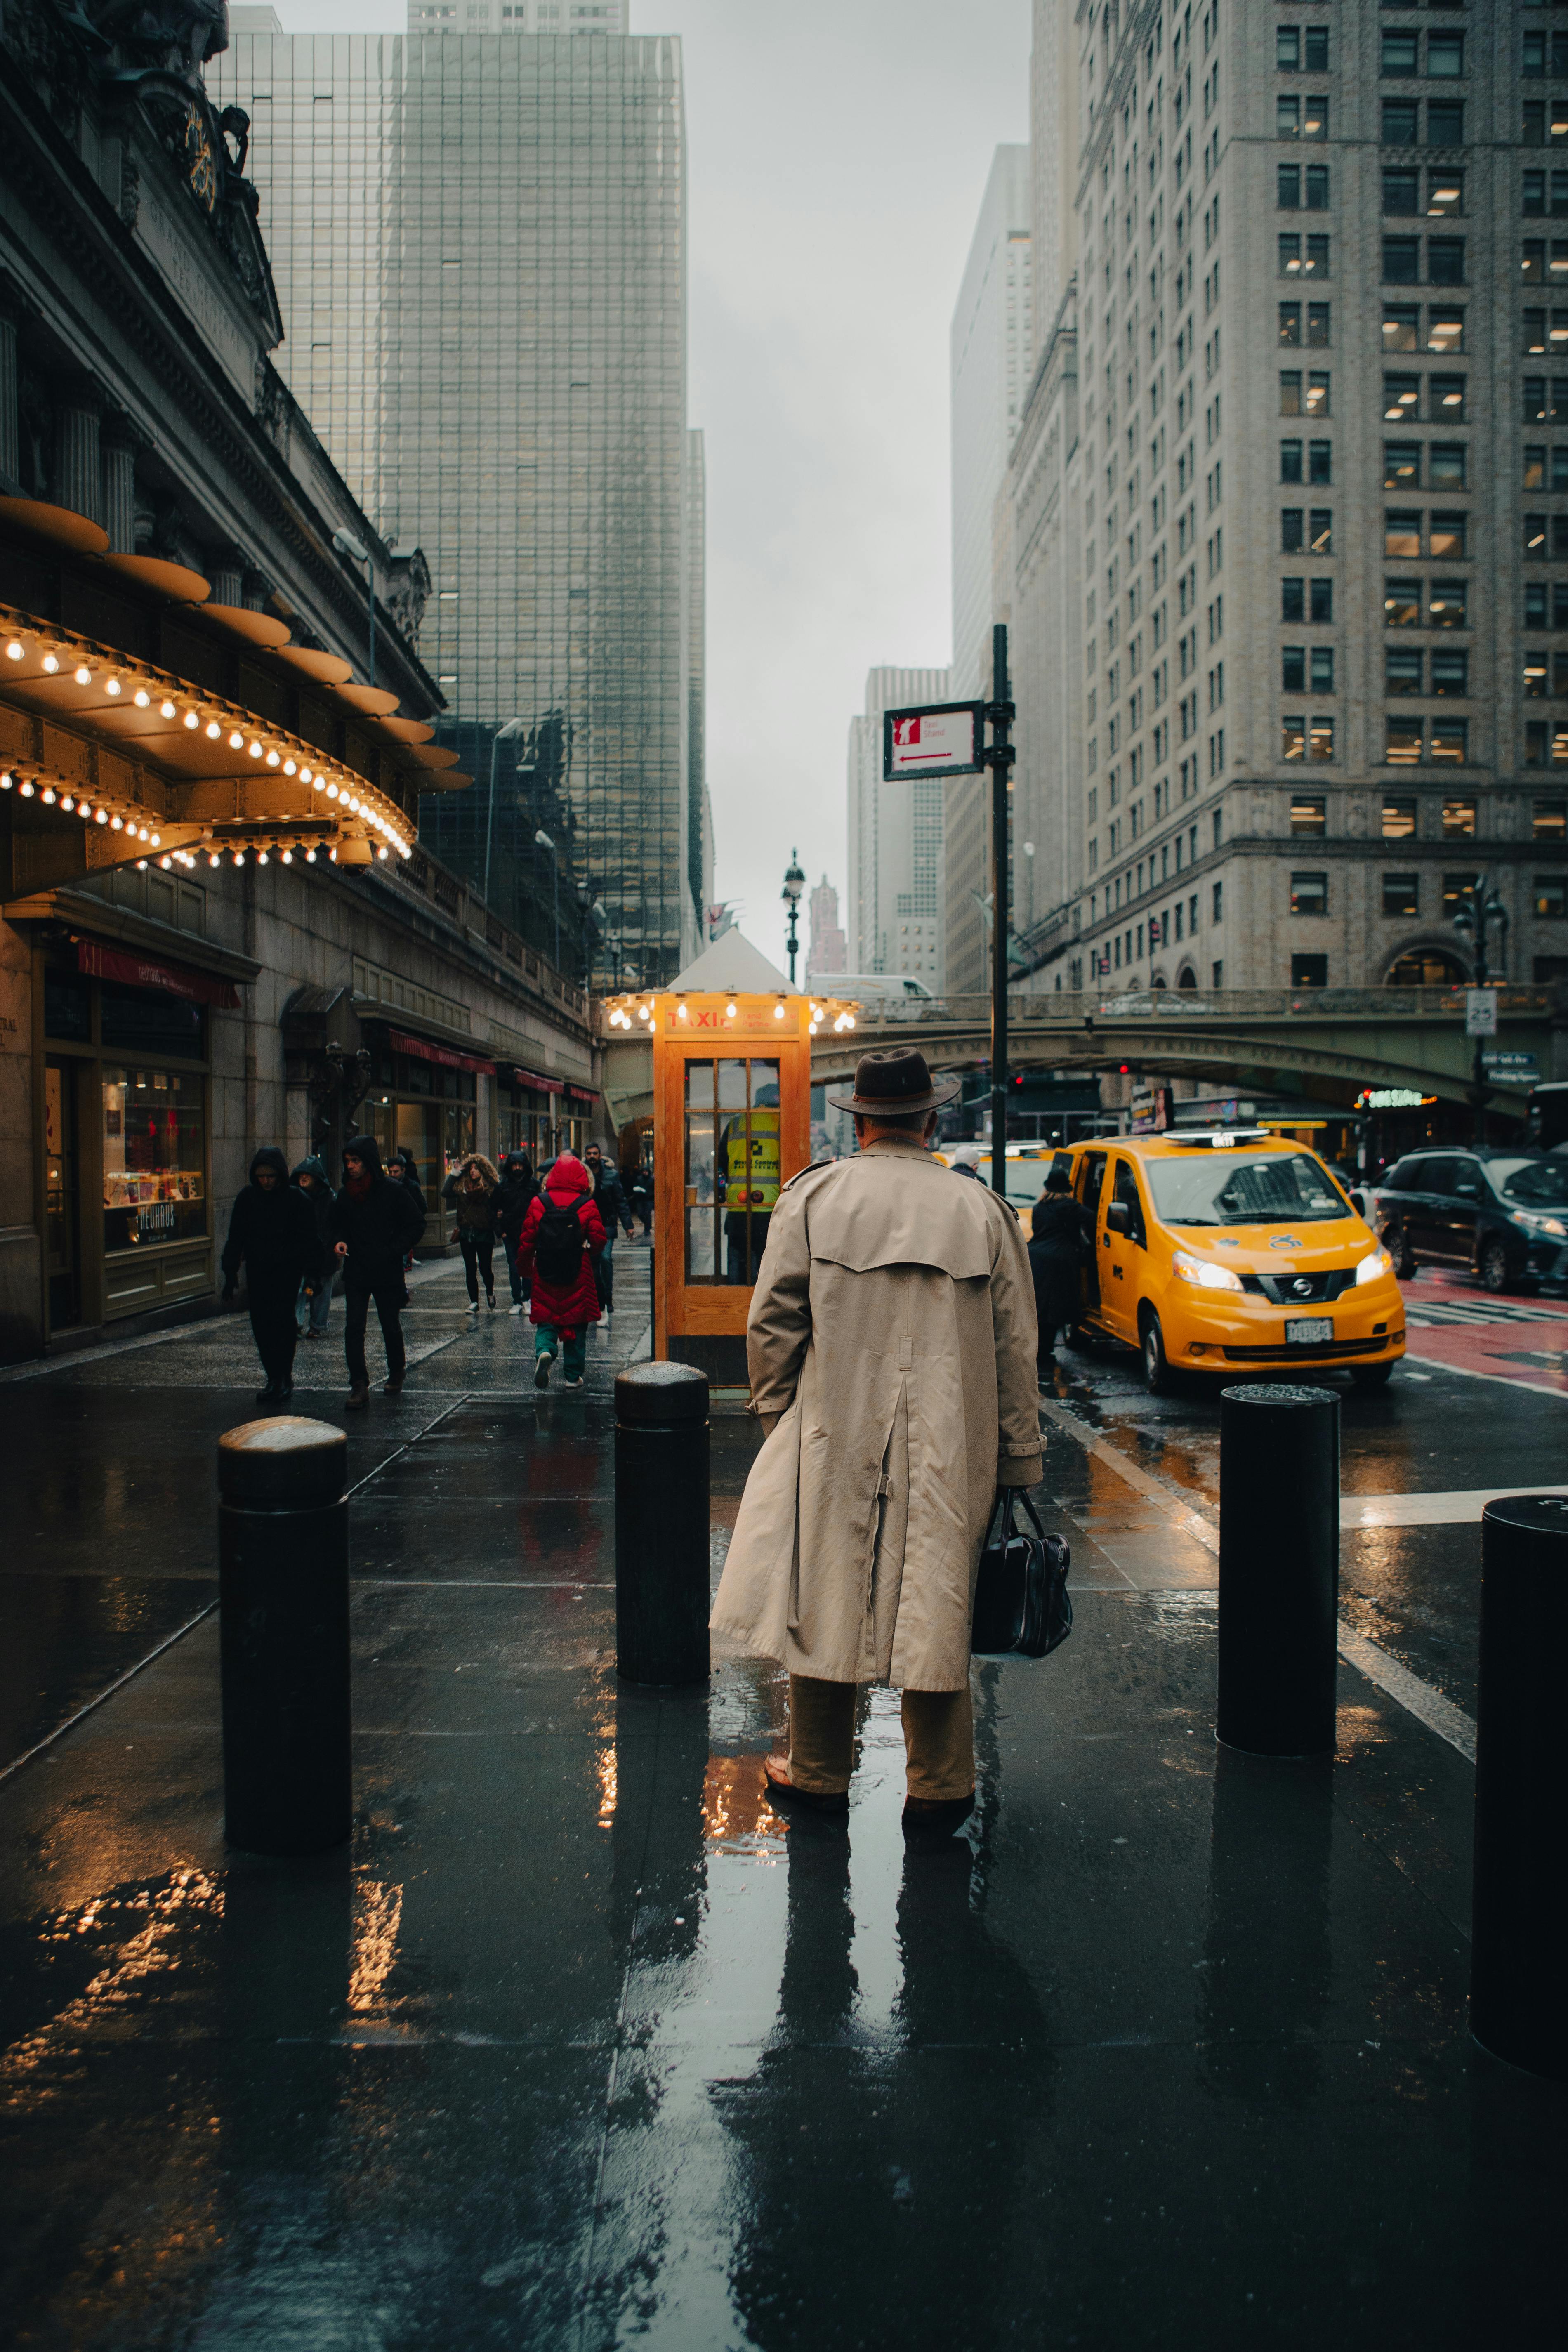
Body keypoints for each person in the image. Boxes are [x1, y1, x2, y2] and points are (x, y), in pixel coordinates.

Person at [711, 1047, 1041, 1841]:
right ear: (931, 1120)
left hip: (832, 1428)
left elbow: (772, 1323)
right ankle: (941, 1785)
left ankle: (819, 1772)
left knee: (823, 1594)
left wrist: (781, 1418)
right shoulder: (982, 1210)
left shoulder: (814, 1197)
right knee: (939, 1598)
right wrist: (1018, 1457)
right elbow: (1014, 1347)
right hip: (954, 1435)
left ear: (858, 1122)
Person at [327, 1133, 427, 1409]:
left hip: (386, 1269)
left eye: (356, 1161)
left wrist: (394, 1249)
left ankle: (396, 1371)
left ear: (368, 1161)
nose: (351, 1166)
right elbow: (335, 1225)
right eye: (348, 1161)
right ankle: (359, 1384)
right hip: (357, 1268)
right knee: (354, 1328)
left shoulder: (393, 1191)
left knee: (389, 1323)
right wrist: (339, 1241)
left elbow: (416, 1224)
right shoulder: (346, 1193)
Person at [220, 1146, 324, 1404]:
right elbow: (236, 1237)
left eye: (270, 1176)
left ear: (280, 1174)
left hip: (287, 1270)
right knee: (261, 1324)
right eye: (261, 1176)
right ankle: (273, 1377)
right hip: (258, 1269)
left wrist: (314, 1274)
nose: (266, 1181)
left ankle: (283, 1376)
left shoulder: (296, 1199)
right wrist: (230, 1273)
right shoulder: (248, 1198)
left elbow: (310, 1240)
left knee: (283, 1322)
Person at [516, 1150, 606, 1391]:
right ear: (581, 1177)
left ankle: (545, 1351)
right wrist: (588, 1249)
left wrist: (525, 1268)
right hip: (577, 1271)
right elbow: (599, 1240)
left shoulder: (539, 1202)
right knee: (577, 1322)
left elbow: (527, 1240)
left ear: (554, 1176)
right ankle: (572, 1376)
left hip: (545, 1269)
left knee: (546, 1319)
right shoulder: (587, 1204)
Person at [1028, 1165, 1092, 1371]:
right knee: (1055, 1309)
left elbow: (1037, 1230)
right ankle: (1045, 1353)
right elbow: (1092, 1218)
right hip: (1060, 1260)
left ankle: (1039, 1351)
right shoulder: (1069, 1206)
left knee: (1041, 1309)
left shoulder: (1039, 1207)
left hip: (1037, 1258)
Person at [719, 1080, 780, 1281]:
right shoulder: (781, 1122)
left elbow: (721, 1163)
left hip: (738, 1207)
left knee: (738, 1264)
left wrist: (724, 1189)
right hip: (772, 1207)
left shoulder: (736, 1123)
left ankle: (736, 1298)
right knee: (769, 1268)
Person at [442, 1151, 501, 1311]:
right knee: (470, 1268)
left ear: (483, 1170)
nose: (473, 1171)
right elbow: (445, 1192)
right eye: (471, 1169)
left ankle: (490, 1291)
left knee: (485, 1268)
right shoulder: (462, 1186)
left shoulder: (490, 1189)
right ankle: (474, 1302)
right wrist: (455, 1173)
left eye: (476, 1168)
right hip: (467, 1233)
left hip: (484, 1233)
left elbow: (499, 1204)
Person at [582, 1141, 634, 1314]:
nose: (592, 1157)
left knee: (605, 1259)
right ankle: (597, 1299)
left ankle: (608, 1298)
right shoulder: (582, 1175)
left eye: (595, 1153)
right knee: (591, 1264)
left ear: (600, 1156)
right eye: (589, 1154)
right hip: (587, 1225)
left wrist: (628, 1225)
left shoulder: (611, 1176)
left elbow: (621, 1201)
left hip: (607, 1224)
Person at [290, 1154, 337, 1340]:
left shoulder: (330, 1198)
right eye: (301, 1175)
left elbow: (337, 1226)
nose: (303, 1178)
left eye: (307, 1175)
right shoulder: (295, 1196)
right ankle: (296, 1323)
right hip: (300, 1252)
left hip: (324, 1251)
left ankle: (316, 1325)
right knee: (297, 1289)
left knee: (322, 1290)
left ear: (316, 1178)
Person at [492, 1149, 539, 1314]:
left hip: (529, 1232)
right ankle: (517, 1300)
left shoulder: (533, 1185)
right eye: (515, 1165)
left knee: (527, 1266)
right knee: (513, 1267)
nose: (518, 1168)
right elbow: (494, 1209)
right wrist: (501, 1232)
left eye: (520, 1165)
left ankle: (527, 1298)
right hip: (510, 1233)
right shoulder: (502, 1186)